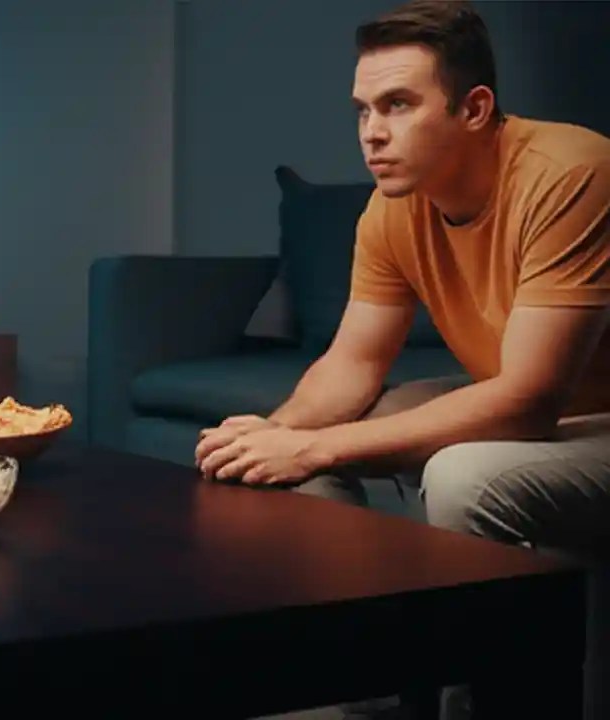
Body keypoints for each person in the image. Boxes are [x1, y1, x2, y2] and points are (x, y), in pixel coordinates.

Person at [194, 1, 610, 716]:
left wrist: (315, 446)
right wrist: (272, 437)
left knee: (461, 474)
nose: (371, 133)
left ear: (474, 108)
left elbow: (529, 398)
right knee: (302, 455)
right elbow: (351, 366)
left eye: (397, 105)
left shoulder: (571, 173)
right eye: (362, 110)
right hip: (542, 408)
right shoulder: (394, 206)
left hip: (591, 415)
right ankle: (366, 689)